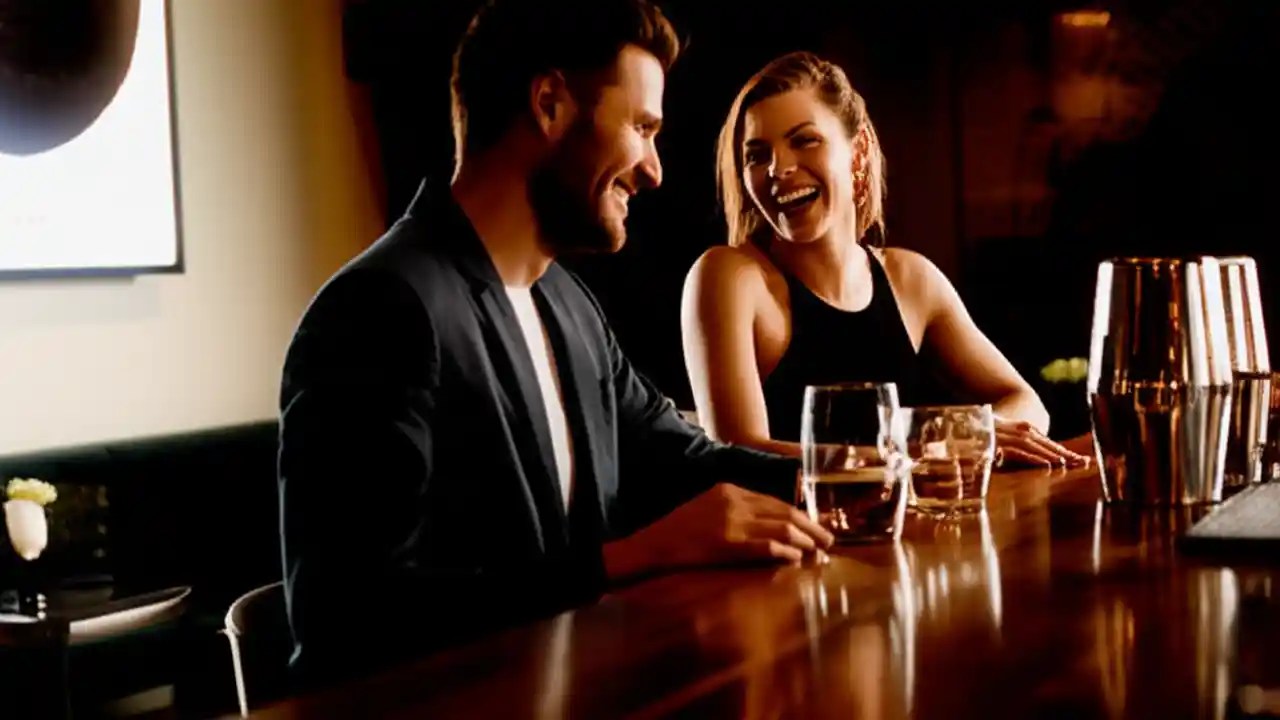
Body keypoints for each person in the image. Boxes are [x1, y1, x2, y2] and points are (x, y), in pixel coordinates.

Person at [277, 0, 833, 685]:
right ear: (549, 105)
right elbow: (347, 617)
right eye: (640, 127)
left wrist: (882, 464)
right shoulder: (377, 310)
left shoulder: (569, 304)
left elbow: (684, 459)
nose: (654, 169)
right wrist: (632, 557)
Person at [681, 51, 1090, 468]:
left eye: (804, 140)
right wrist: (914, 455)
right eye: (757, 155)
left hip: (916, 532)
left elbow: (1027, 405)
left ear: (857, 154)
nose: (777, 168)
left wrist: (969, 436)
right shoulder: (729, 277)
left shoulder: (910, 278)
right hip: (800, 534)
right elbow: (738, 456)